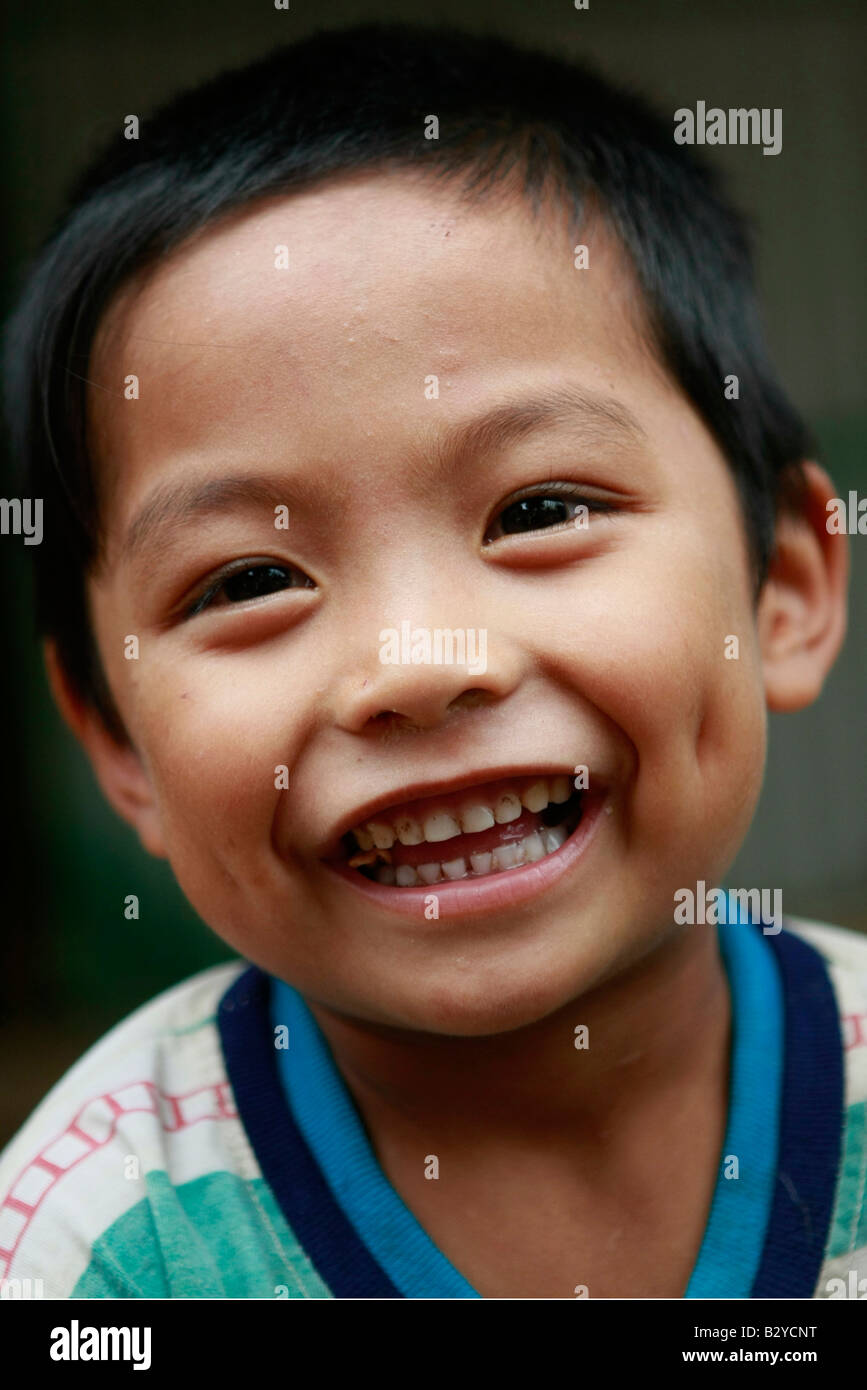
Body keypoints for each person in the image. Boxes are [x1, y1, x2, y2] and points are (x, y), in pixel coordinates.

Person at [1, 22, 864, 1300]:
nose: (416, 664)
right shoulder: (98, 1252)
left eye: (539, 510)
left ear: (784, 585)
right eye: (248, 581)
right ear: (121, 744)